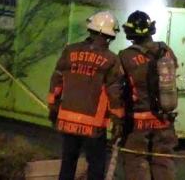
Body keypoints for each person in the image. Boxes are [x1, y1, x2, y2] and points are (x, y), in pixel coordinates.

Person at [48, 11, 126, 180]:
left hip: (67, 121)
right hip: (93, 125)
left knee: (68, 163)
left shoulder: (70, 51)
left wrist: (53, 107)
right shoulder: (111, 59)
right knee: (96, 166)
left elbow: (56, 80)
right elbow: (114, 92)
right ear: (109, 36)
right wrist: (118, 120)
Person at [117, 10, 179, 180]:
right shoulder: (166, 51)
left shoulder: (125, 56)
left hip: (138, 121)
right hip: (164, 118)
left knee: (136, 161)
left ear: (129, 32)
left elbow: (118, 87)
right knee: (163, 160)